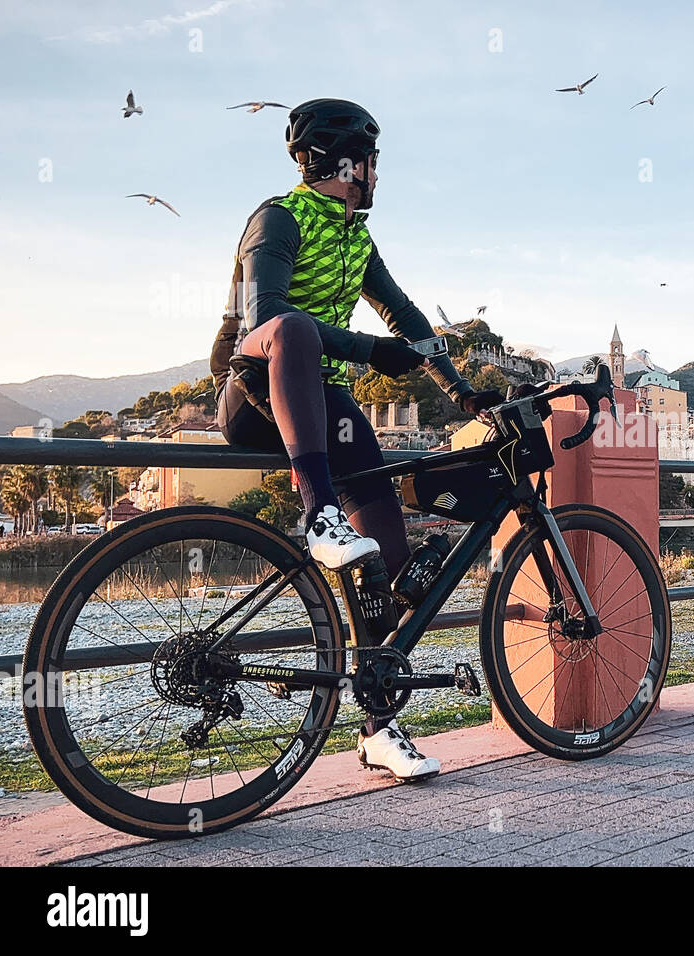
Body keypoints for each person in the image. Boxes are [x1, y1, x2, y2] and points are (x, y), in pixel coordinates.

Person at [209, 98, 504, 782]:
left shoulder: (356, 239)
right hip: (253, 387)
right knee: (295, 329)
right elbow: (266, 313)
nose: (378, 175)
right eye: (373, 163)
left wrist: (461, 392)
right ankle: (320, 514)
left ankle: (378, 727)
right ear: (348, 163)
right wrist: (372, 350)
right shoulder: (276, 219)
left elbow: (404, 315)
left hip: (326, 403)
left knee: (390, 570)